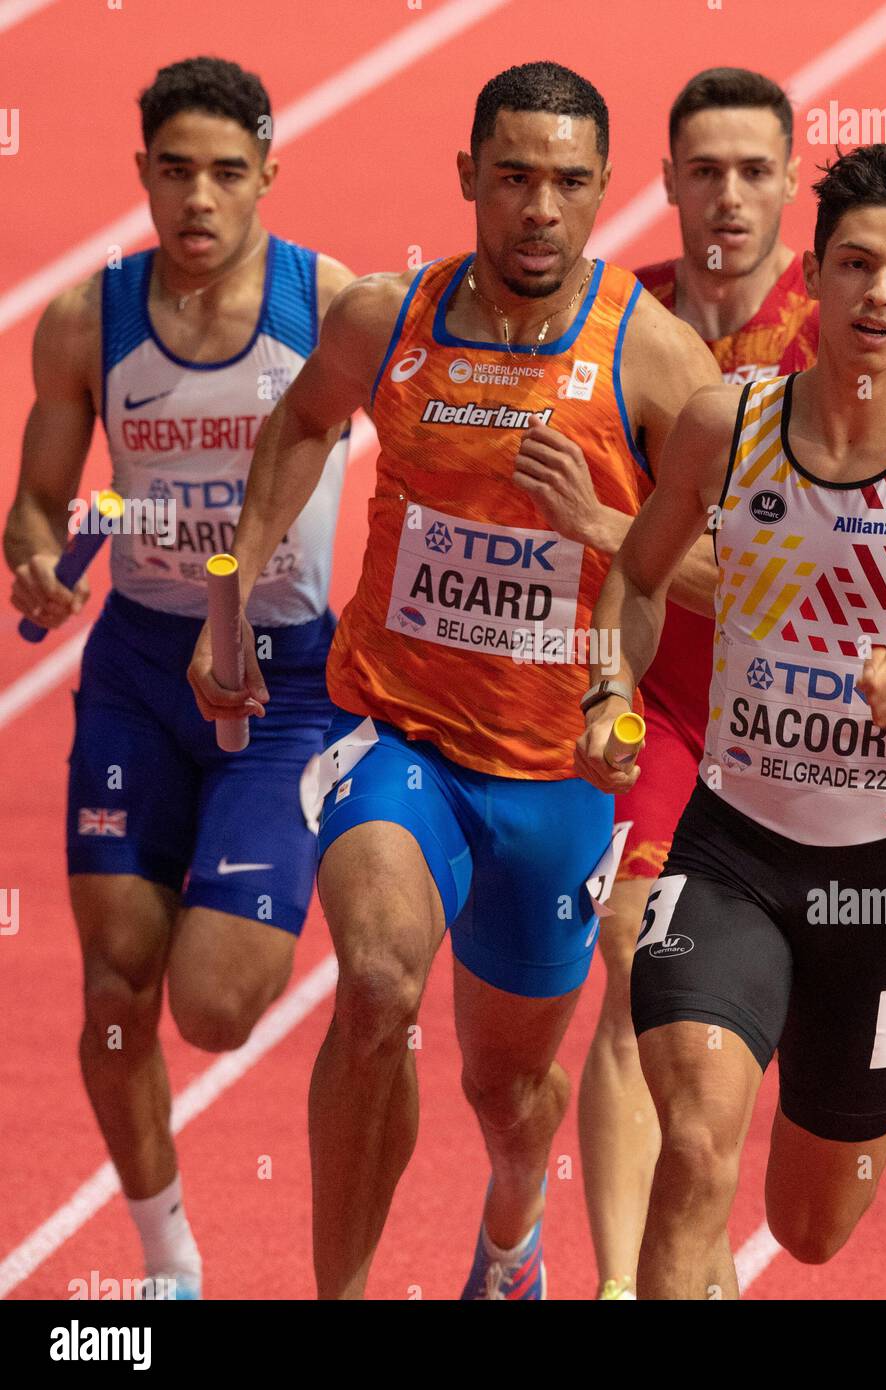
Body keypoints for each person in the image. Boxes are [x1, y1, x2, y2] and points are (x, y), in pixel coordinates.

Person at [188, 60, 721, 1300]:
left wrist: (605, 532)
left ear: (601, 195)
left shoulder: (653, 359)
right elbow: (301, 423)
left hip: (553, 778)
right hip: (398, 733)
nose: (541, 206)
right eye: (516, 176)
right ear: (469, 178)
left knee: (510, 1089)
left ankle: (510, 1225)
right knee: (375, 981)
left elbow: (737, 576)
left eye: (569, 183)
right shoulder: (387, 317)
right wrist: (231, 592)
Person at [574, 144, 886, 1300]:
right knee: (696, 1144)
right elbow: (639, 574)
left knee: (810, 1227)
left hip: (880, 881)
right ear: (811, 275)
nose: (879, 294)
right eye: (855, 264)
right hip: (728, 853)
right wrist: (609, 688)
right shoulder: (725, 423)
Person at [3, 57, 355, 1299]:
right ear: (142, 172)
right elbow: (43, 507)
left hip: (284, 687)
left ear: (269, 172)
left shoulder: (334, 307)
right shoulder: (82, 322)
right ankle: (168, 1261)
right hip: (141, 674)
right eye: (173, 171)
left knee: (210, 1009)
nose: (197, 198)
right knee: (113, 990)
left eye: (225, 172)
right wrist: (43, 561)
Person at [577, 67, 818, 1303]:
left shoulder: (838, 336)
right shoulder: (620, 323)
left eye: (755, 171)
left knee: (735, 1057)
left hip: (801, 733)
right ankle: (622, 1285)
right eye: (705, 171)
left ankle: (696, 1233)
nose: (728, 197)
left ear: (789, 184)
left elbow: (810, 584)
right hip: (665, 706)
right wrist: (601, 689)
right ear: (665, 183)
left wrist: (623, 528)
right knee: (626, 959)